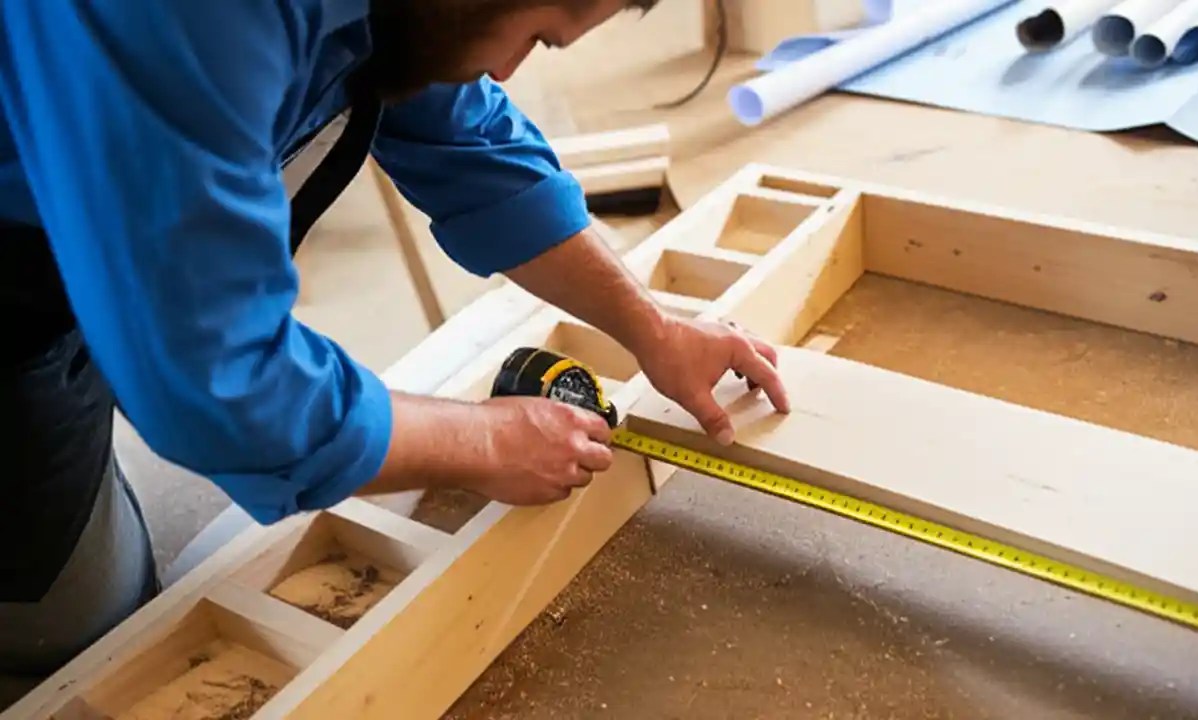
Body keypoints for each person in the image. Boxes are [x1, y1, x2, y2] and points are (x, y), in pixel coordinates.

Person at [0, 0, 789, 697]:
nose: (508, 67)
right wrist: (481, 440)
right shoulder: (190, 14)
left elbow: (467, 139)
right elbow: (222, 383)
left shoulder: (415, 11)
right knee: (68, 638)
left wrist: (656, 330)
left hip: (108, 218)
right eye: (541, 37)